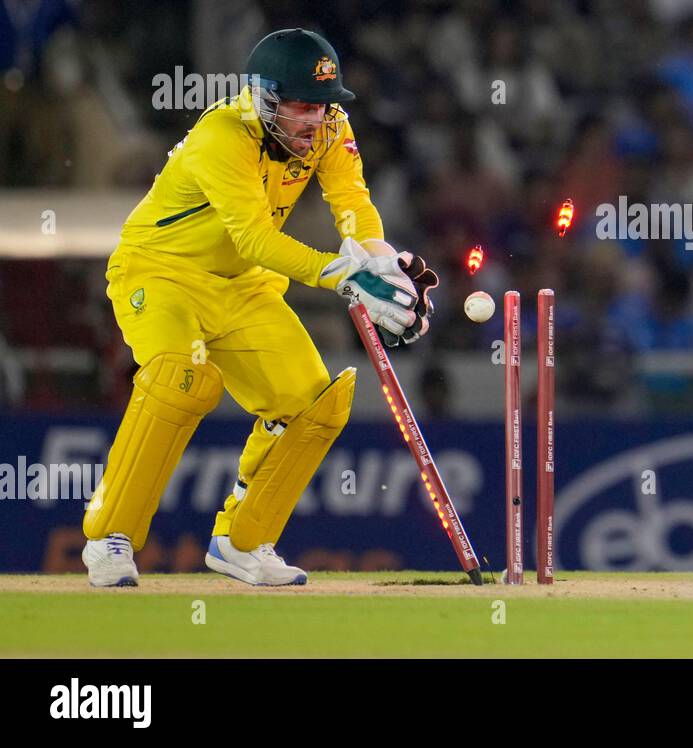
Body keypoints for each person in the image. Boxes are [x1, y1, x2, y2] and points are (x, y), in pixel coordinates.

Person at [82, 29, 438, 587]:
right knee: (181, 379)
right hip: (160, 271)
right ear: (264, 97)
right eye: (300, 106)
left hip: (241, 286)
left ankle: (242, 542)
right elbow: (252, 237)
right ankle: (110, 537)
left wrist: (382, 266)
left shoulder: (330, 129)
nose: (313, 120)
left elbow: (353, 206)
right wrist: (343, 277)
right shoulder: (222, 137)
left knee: (314, 401)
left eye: (321, 106)